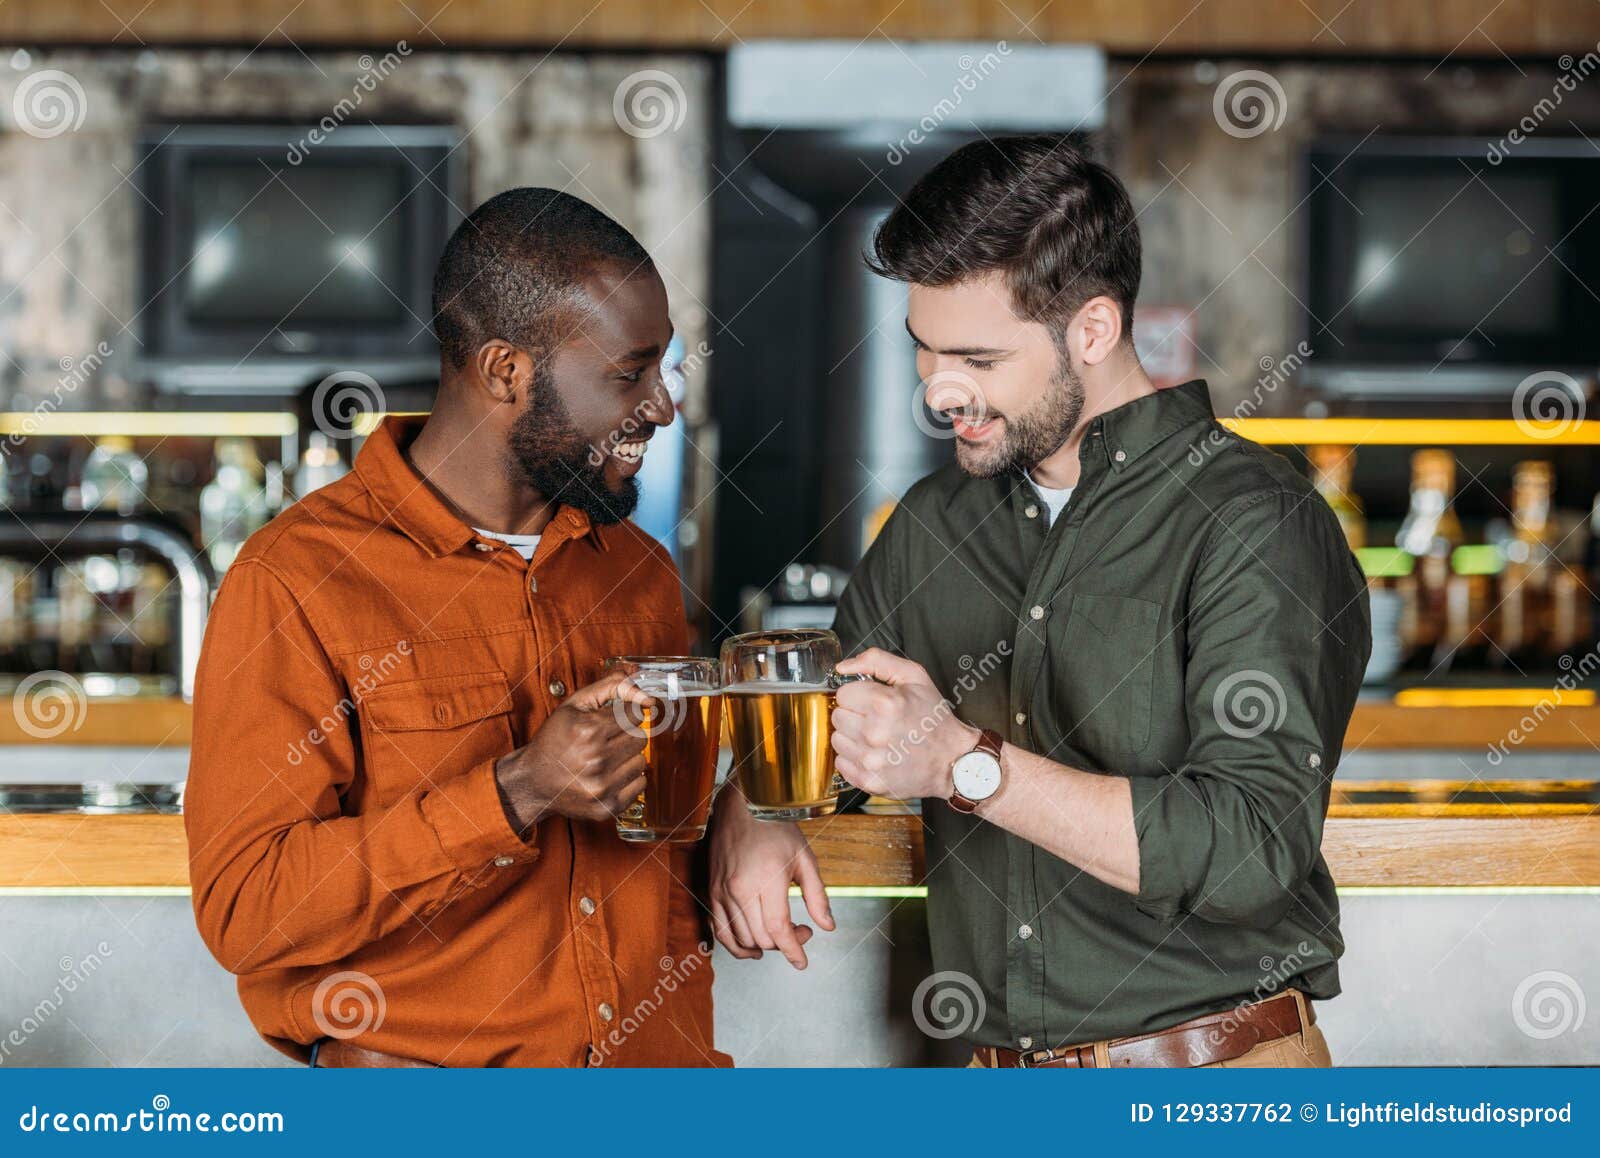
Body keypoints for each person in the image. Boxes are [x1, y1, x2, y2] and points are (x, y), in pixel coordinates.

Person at [711, 136, 1370, 1068]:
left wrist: (962, 765)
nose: (940, 392)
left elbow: (1252, 849)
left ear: (1092, 331)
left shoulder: (1253, 522)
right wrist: (757, 809)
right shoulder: (933, 524)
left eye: (978, 358)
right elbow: (837, 734)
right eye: (925, 352)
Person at [186, 188, 729, 1068]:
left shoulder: (638, 573)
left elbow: (662, 864)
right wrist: (516, 789)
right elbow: (249, 911)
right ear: (506, 372)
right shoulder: (294, 579)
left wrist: (757, 815)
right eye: (630, 374)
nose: (661, 406)